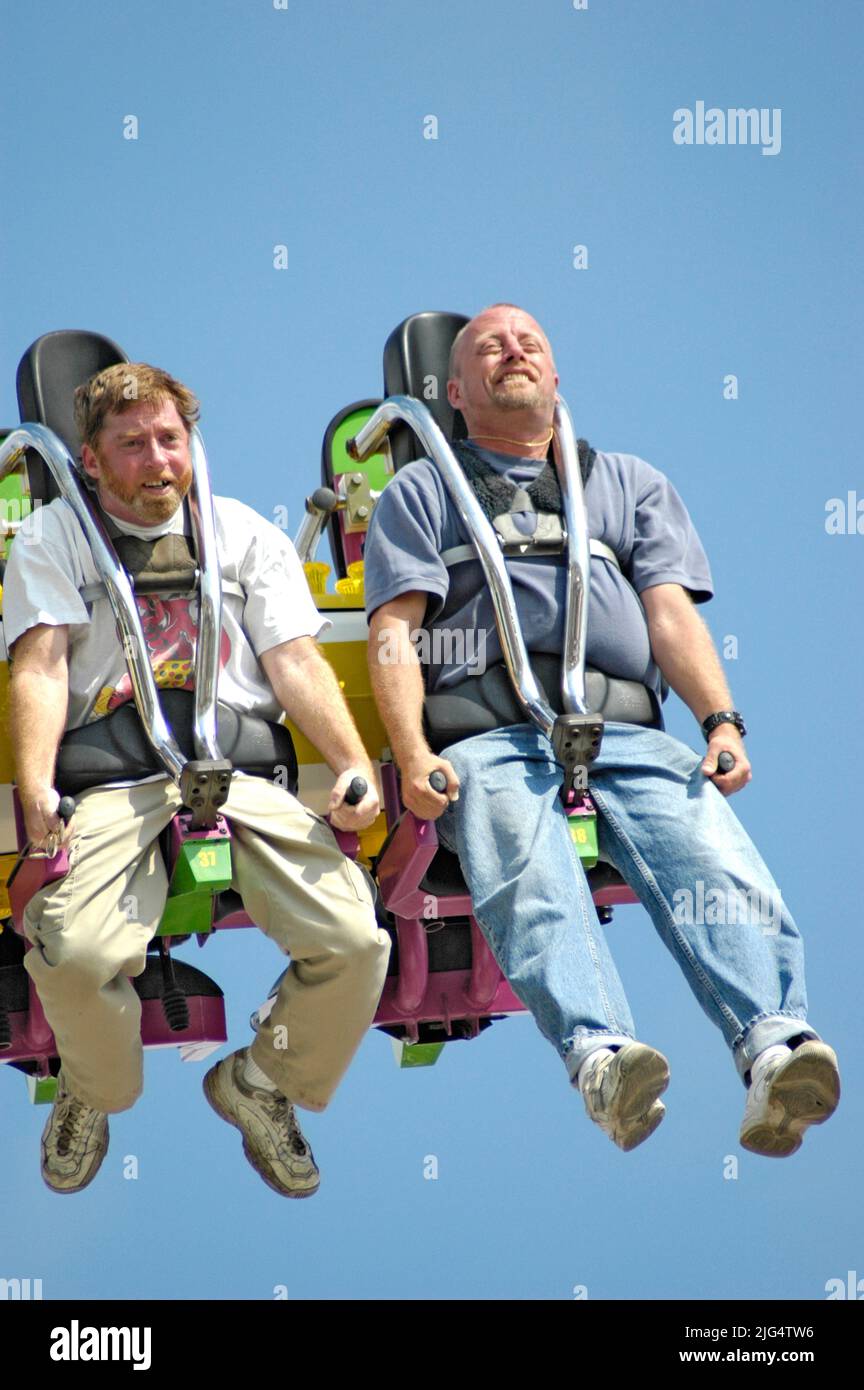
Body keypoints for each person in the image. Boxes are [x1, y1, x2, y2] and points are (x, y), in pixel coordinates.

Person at [364, 302, 840, 1156]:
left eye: (530, 343)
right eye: (488, 349)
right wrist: (412, 754)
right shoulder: (421, 491)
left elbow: (669, 617)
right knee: (525, 867)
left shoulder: (627, 483)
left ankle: (775, 1046)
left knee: (712, 852)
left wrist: (721, 724)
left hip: (620, 730)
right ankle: (602, 1055)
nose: (513, 351)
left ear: (556, 377)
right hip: (491, 735)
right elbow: (395, 631)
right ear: (457, 394)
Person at [4, 363, 390, 1196]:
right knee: (71, 954)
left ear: (193, 444)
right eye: (132, 444)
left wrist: (355, 761)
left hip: (238, 774)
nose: (157, 460)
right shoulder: (52, 540)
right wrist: (35, 785)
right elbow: (38, 665)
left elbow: (295, 664)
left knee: (359, 943)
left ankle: (259, 1083)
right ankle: (93, 1088)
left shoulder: (245, 534)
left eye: (170, 439)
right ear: (93, 460)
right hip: (115, 783)